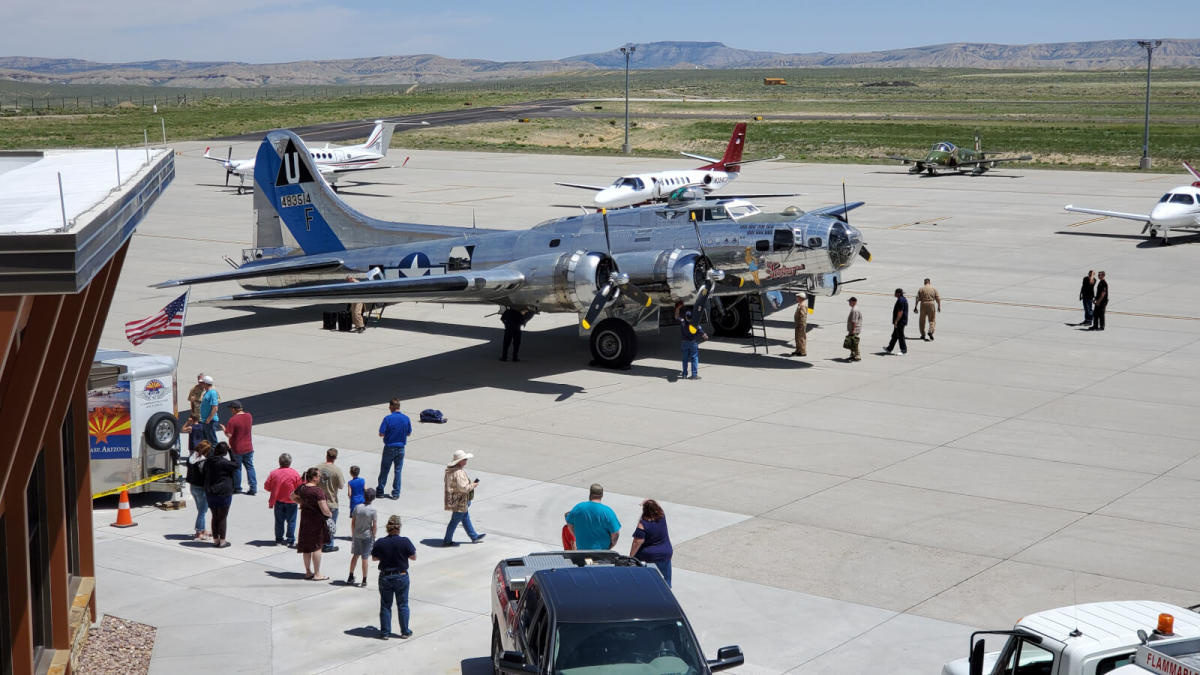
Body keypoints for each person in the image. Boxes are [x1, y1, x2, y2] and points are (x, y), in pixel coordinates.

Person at [372, 514, 416, 640]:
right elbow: (413, 557)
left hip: (385, 577)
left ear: (388, 527)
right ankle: (404, 631)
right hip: (401, 576)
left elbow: (374, 558)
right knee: (402, 604)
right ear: (399, 527)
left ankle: (385, 632)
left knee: (386, 605)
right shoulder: (405, 541)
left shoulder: (381, 542)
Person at [295, 467, 332, 581]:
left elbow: (292, 496)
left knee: (306, 547)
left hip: (305, 519)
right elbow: (324, 509)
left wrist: (302, 502)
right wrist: (330, 514)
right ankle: (317, 574)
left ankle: (308, 572)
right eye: (319, 476)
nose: (320, 477)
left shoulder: (302, 488)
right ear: (314, 478)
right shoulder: (317, 491)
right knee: (317, 546)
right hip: (316, 521)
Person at [443, 450, 486, 546]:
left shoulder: (450, 470)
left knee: (465, 518)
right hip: (460, 501)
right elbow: (464, 488)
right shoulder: (458, 473)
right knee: (454, 521)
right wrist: (473, 485)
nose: (466, 461)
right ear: (460, 461)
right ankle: (447, 540)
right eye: (465, 459)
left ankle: (474, 536)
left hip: (456, 499)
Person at [630, 499, 674, 587]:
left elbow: (637, 542)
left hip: (648, 556)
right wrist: (650, 500)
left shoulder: (642, 524)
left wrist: (630, 556)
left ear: (644, 510)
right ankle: (667, 594)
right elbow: (658, 505)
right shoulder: (662, 516)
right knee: (666, 580)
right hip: (665, 553)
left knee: (646, 581)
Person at [565, 483, 621, 551]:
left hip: (582, 551)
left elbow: (569, 524)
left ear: (590, 494)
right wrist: (611, 545)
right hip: (602, 553)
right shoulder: (608, 512)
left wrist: (576, 535)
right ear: (602, 495)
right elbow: (616, 533)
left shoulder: (578, 508)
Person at [264, 453, 303, 547]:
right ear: (290, 463)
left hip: (278, 501)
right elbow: (300, 488)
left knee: (279, 521)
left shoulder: (274, 473)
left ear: (279, 462)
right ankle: (290, 540)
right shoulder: (295, 473)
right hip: (292, 502)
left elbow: (267, 487)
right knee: (291, 521)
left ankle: (279, 539)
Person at [203, 442, 237, 548]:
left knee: (214, 516)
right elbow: (236, 465)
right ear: (225, 452)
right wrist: (231, 451)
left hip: (211, 492)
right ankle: (222, 541)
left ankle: (216, 540)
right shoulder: (225, 462)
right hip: (223, 493)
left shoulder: (209, 461)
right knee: (222, 517)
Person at [377, 399, 411, 500]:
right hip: (401, 448)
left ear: (392, 407)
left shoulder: (387, 419)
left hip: (389, 447)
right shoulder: (406, 418)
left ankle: (380, 491)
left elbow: (381, 434)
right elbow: (408, 433)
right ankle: (396, 493)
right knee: (398, 471)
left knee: (384, 470)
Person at [224, 400, 255, 495]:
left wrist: (224, 430)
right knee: (250, 467)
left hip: (237, 448)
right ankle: (253, 488)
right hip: (249, 447)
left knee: (237, 468)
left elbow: (229, 435)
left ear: (234, 409)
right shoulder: (249, 416)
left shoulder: (233, 420)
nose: (231, 411)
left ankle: (237, 488)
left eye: (231, 409)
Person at [318, 448, 346, 553]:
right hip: (331, 502)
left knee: (320, 524)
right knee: (331, 524)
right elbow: (341, 486)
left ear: (326, 455)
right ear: (335, 458)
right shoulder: (337, 470)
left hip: (319, 501)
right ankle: (329, 545)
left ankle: (319, 542)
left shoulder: (318, 468)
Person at [348, 488, 378, 586]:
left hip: (357, 535)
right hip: (367, 536)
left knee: (355, 555)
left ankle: (350, 576)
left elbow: (353, 522)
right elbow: (374, 525)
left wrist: (353, 534)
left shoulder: (357, 507)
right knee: (365, 558)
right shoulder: (373, 510)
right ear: (373, 498)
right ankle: (364, 580)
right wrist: (374, 535)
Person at [186, 440, 211, 541]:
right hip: (201, 489)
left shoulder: (191, 458)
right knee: (202, 511)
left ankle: (203, 530)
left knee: (201, 510)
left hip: (193, 487)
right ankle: (198, 532)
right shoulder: (204, 462)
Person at [676, 302, 706, 380]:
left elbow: (676, 316)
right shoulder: (695, 324)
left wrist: (678, 308)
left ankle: (684, 374)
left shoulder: (683, 321)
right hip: (693, 343)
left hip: (684, 342)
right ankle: (694, 375)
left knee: (685, 359)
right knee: (694, 358)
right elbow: (702, 333)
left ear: (686, 317)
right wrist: (705, 336)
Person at [884, 288, 908, 355]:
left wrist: (896, 321)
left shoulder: (900, 300)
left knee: (900, 336)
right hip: (901, 321)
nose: (894, 294)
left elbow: (900, 312)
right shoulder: (903, 299)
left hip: (900, 321)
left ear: (898, 293)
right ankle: (889, 348)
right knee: (895, 335)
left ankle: (903, 350)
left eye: (895, 293)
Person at [199, 375, 220, 444]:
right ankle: (208, 454)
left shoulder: (212, 393)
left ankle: (215, 454)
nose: (201, 384)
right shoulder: (206, 392)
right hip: (205, 421)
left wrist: (209, 419)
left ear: (206, 383)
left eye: (202, 383)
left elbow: (215, 408)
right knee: (206, 441)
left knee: (212, 441)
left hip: (211, 422)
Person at [845, 297, 863, 362]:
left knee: (854, 343)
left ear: (854, 302)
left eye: (850, 301)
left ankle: (857, 356)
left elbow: (854, 321)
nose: (849, 303)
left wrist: (852, 330)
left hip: (854, 329)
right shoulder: (854, 308)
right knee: (852, 343)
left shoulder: (855, 310)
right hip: (854, 329)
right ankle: (852, 355)